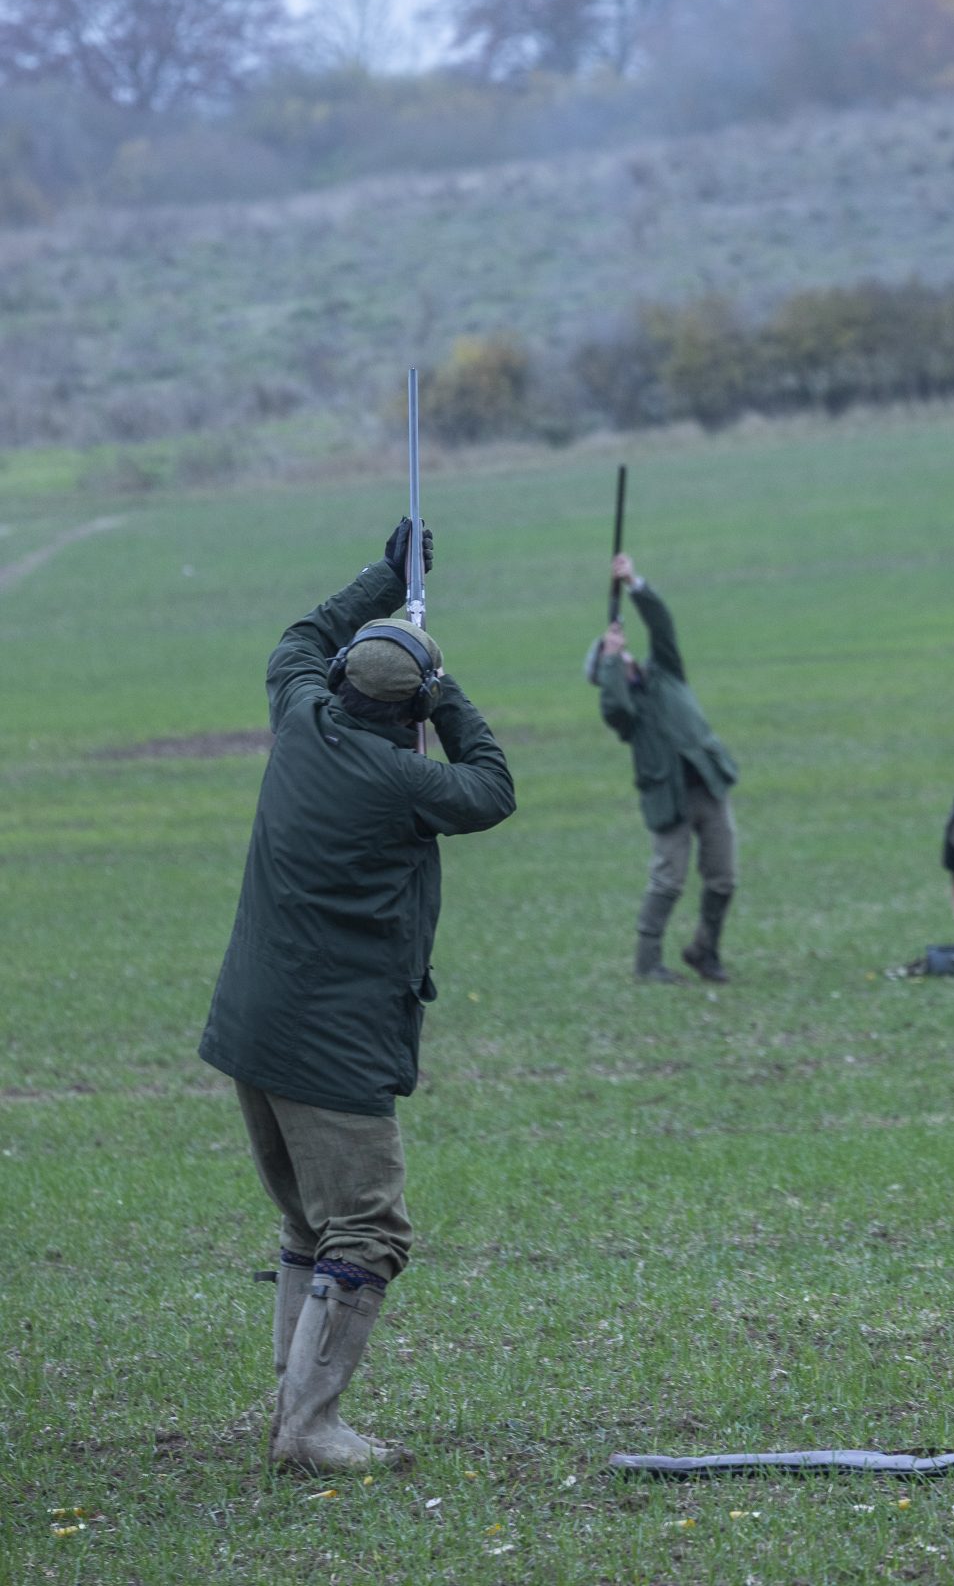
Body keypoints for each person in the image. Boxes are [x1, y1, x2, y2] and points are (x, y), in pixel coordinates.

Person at [199, 519, 515, 1473]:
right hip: (327, 1047)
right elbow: (491, 786)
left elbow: (298, 640)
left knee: (310, 1224)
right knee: (368, 1227)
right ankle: (309, 1430)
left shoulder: (300, 718)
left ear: (339, 687)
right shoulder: (399, 780)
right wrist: (442, 677)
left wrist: (386, 584)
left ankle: (295, 1416)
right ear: (409, 712)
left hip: (253, 1029)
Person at [586, 553, 739, 983]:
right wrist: (610, 660)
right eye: (610, 657)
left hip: (708, 784)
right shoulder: (624, 711)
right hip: (668, 798)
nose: (622, 654)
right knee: (668, 881)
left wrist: (633, 583)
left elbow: (661, 625)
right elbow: (613, 702)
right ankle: (647, 963)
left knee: (723, 878)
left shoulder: (667, 671)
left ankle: (704, 951)